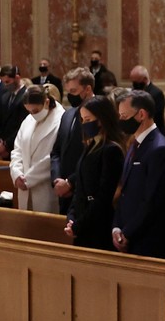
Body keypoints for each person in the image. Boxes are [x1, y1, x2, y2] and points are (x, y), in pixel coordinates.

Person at [112, 90, 165, 259]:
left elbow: (153, 200)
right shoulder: (135, 144)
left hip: (151, 240)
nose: (121, 121)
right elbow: (125, 190)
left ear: (141, 114)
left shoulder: (159, 149)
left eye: (124, 116)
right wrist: (117, 228)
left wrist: (127, 233)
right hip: (131, 236)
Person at [64, 95, 126, 251]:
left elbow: (104, 197)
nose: (85, 124)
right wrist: (71, 217)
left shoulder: (111, 150)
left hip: (99, 226)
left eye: (88, 119)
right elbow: (80, 187)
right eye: (83, 120)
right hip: (83, 223)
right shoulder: (91, 145)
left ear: (101, 119)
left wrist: (79, 224)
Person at [9, 84, 64, 212]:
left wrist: (29, 179)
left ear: (47, 102)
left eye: (36, 111)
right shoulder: (28, 120)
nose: (32, 114)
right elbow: (17, 149)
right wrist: (16, 173)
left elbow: (53, 156)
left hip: (44, 186)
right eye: (29, 111)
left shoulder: (61, 120)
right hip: (23, 183)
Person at [51, 67, 95, 215]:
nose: (70, 96)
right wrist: (57, 180)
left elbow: (94, 156)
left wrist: (70, 183)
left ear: (87, 89)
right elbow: (57, 151)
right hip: (62, 190)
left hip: (85, 190)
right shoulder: (67, 114)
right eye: (68, 91)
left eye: (74, 91)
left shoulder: (99, 115)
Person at [0, 65, 29, 158]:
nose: (5, 85)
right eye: (3, 82)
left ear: (17, 78)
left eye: (7, 82)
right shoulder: (5, 96)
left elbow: (23, 125)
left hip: (17, 145)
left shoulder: (27, 96)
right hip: (2, 146)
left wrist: (6, 145)